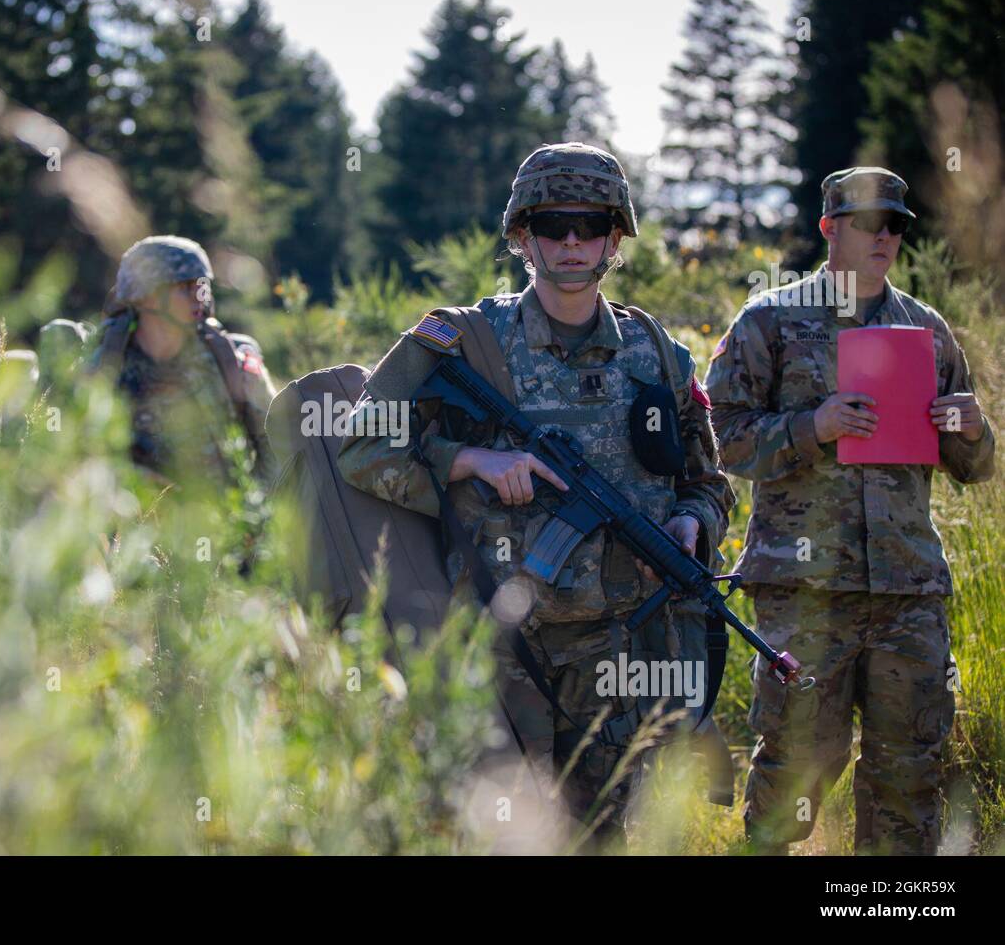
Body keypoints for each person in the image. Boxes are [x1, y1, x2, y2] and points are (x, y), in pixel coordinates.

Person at [337, 143, 734, 850]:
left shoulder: (657, 353)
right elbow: (360, 445)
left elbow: (708, 484)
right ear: (522, 235)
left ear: (617, 236)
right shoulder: (460, 343)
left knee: (600, 837)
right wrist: (468, 460)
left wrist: (691, 525)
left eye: (591, 224)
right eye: (554, 225)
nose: (573, 242)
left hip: (618, 658)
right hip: (497, 651)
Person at [704, 166, 996, 855]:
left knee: (910, 771)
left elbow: (973, 469)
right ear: (830, 227)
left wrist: (974, 431)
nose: (885, 236)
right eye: (869, 222)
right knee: (798, 765)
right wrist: (814, 426)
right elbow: (720, 438)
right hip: (805, 589)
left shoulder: (924, 328)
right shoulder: (769, 320)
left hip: (908, 587)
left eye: (896, 224)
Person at [89, 235, 276, 487]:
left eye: (202, 285)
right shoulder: (103, 367)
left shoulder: (232, 361)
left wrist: (256, 512)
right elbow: (73, 458)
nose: (199, 296)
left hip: (220, 518)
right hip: (132, 519)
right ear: (146, 295)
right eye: (184, 286)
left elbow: (275, 446)